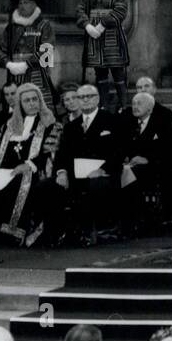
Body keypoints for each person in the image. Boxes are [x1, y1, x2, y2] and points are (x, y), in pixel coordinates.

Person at [0, 82, 61, 255]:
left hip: (33, 170)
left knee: (20, 183)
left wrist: (28, 165)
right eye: (27, 100)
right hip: (4, 170)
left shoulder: (51, 124)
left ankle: (13, 233)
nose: (32, 103)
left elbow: (50, 153)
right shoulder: (8, 125)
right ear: (20, 104)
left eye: (35, 99)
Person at [52, 83, 122, 244]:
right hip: (75, 174)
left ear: (97, 99)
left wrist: (102, 170)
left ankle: (95, 231)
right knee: (48, 186)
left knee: (95, 184)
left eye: (88, 96)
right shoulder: (70, 127)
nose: (84, 100)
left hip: (103, 173)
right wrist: (61, 173)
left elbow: (119, 152)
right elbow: (62, 155)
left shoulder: (111, 121)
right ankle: (58, 233)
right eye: (81, 97)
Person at [77, 0, 132, 111]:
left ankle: (124, 107)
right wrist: (87, 25)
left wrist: (102, 25)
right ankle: (103, 107)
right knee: (99, 72)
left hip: (111, 33)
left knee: (117, 72)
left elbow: (121, 11)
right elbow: (81, 7)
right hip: (93, 32)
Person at [119, 90, 172, 231]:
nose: (135, 106)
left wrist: (148, 159)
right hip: (130, 165)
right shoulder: (128, 122)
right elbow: (121, 145)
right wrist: (125, 157)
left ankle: (139, 220)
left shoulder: (161, 123)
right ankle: (124, 220)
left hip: (156, 165)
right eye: (133, 103)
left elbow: (170, 149)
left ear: (150, 108)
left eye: (139, 103)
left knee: (136, 176)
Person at [0, 0, 57, 113]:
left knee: (40, 107)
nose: (22, 6)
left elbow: (47, 51)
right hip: (14, 76)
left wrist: (27, 64)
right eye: (20, 3)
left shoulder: (43, 26)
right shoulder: (11, 28)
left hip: (37, 74)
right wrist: (9, 64)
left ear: (34, 4)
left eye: (27, 2)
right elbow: (1, 51)